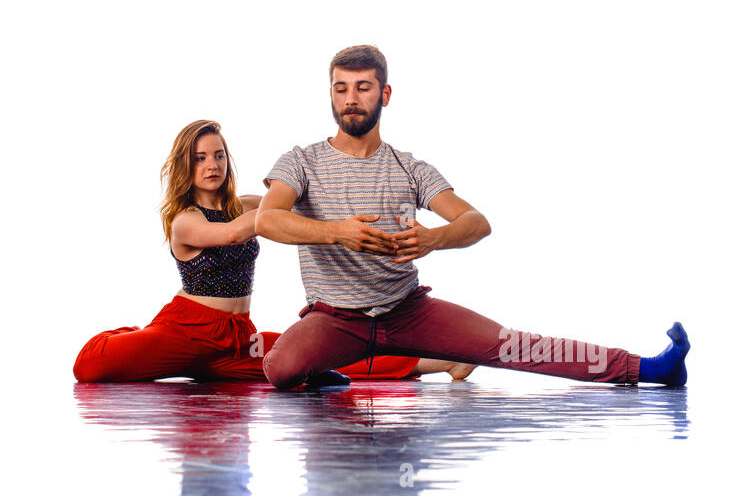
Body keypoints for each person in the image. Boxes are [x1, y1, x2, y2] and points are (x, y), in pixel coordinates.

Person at [256, 45, 691, 391]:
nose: (351, 99)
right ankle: (321, 368)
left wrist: (434, 238)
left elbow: (476, 222)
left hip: (407, 311)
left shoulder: (411, 168)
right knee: (282, 370)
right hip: (335, 319)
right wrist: (337, 233)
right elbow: (268, 220)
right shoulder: (302, 161)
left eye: (363, 87)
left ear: (385, 95)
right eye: (341, 88)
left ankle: (652, 368)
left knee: (516, 347)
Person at [72, 119, 472, 383]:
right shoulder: (184, 219)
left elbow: (290, 202)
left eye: (218, 155)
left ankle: (441, 361)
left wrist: (339, 197)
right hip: (186, 331)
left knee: (317, 357)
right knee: (91, 366)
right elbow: (231, 234)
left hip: (236, 338)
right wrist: (274, 211)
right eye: (199, 158)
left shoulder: (244, 204)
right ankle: (135, 334)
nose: (212, 164)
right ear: (185, 166)